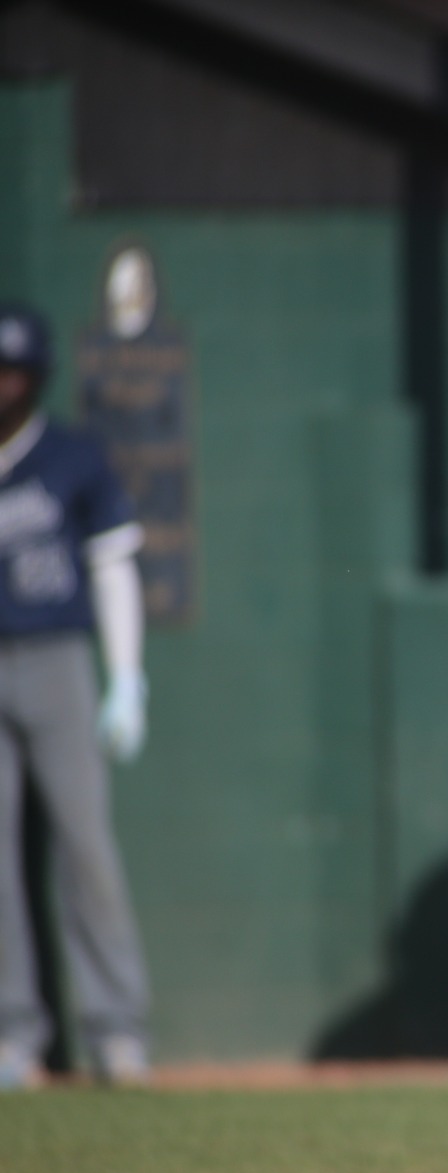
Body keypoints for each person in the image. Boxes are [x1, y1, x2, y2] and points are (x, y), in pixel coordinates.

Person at [0, 301, 151, 1090]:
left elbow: (115, 564)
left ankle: (117, 1030)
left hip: (59, 658)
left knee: (85, 845)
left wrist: (126, 678)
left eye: (13, 373)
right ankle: (12, 1037)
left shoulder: (71, 456)